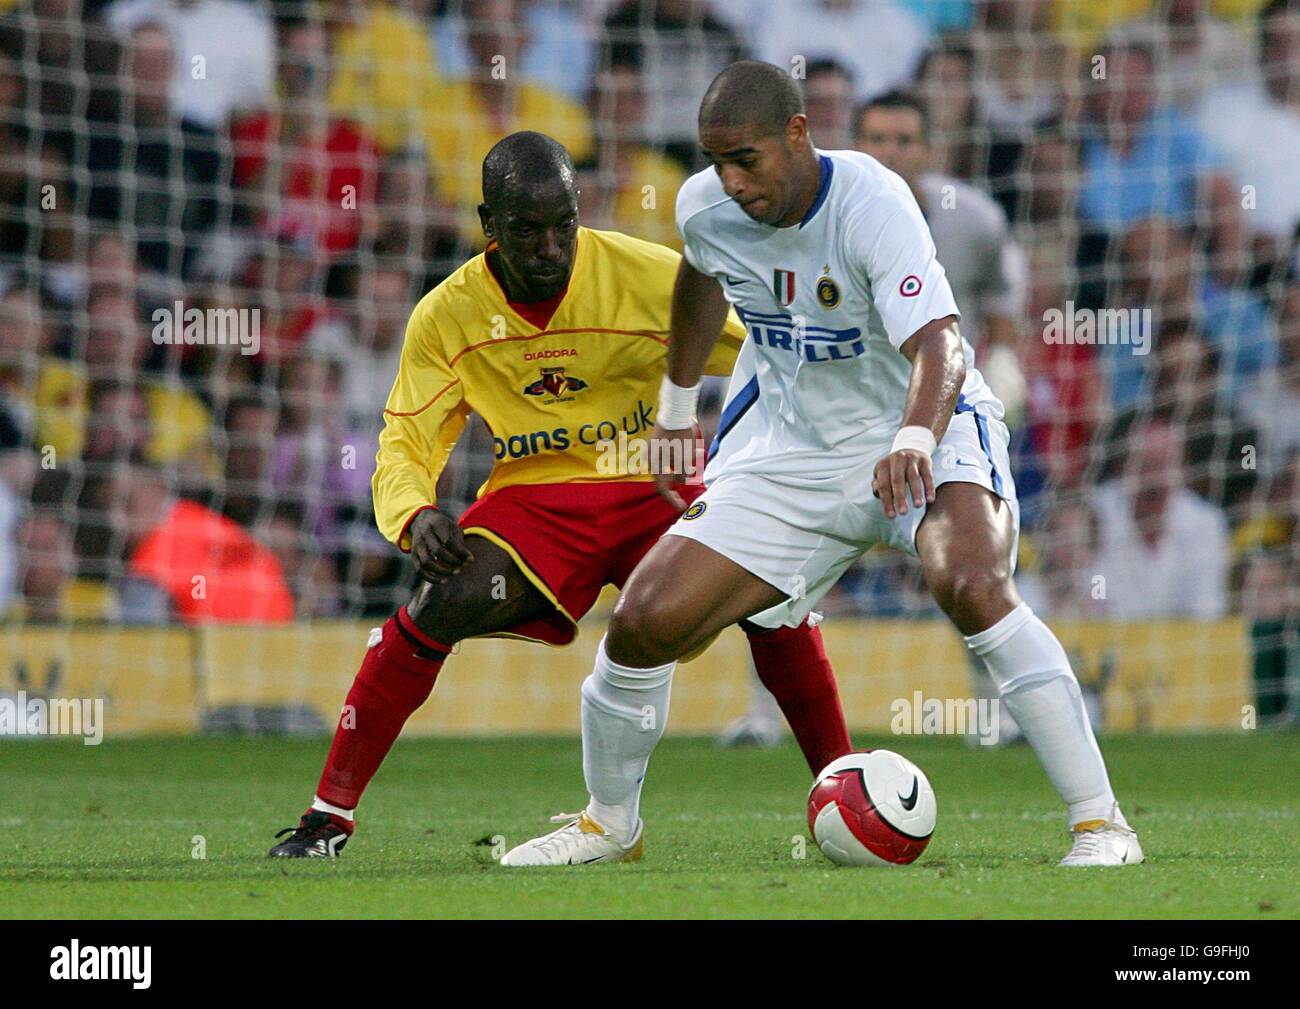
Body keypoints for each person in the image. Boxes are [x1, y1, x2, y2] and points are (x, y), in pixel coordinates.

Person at [503, 63, 1142, 868]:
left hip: (925, 426)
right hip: (793, 449)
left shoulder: (873, 201)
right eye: (717, 163)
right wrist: (676, 407)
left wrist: (913, 440)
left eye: (746, 160)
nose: (731, 182)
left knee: (974, 583)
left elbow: (941, 343)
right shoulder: (707, 205)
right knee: (642, 622)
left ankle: (1101, 824)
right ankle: (609, 825)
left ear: (798, 135)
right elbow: (700, 276)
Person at [268, 131, 852, 859]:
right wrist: (414, 514)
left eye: (563, 226)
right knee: (437, 602)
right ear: (489, 224)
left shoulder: (645, 274)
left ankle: (845, 786)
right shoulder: (447, 314)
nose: (550, 248)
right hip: (536, 502)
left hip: (655, 487)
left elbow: (770, 344)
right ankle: (328, 817)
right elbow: (406, 437)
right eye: (526, 230)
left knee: (773, 596)